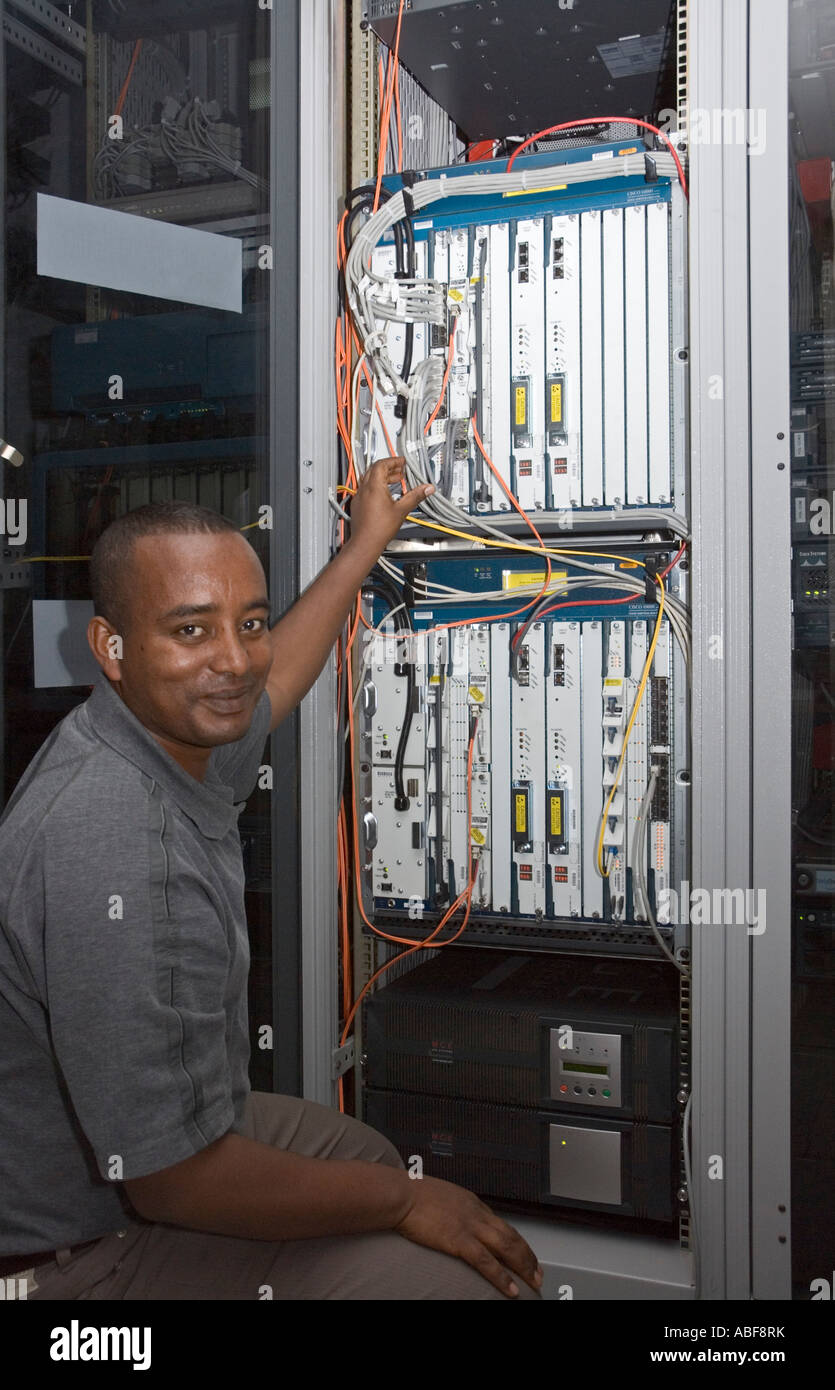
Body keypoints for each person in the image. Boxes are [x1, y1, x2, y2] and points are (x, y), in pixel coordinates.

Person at [0, 456, 542, 1301]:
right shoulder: (113, 843)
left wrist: (365, 545)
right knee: (446, 1282)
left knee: (363, 1155)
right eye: (190, 631)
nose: (235, 661)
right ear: (112, 648)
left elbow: (277, 675)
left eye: (248, 622)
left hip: (134, 1152)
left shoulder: (155, 733)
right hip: (79, 1244)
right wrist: (406, 1202)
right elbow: (170, 1182)